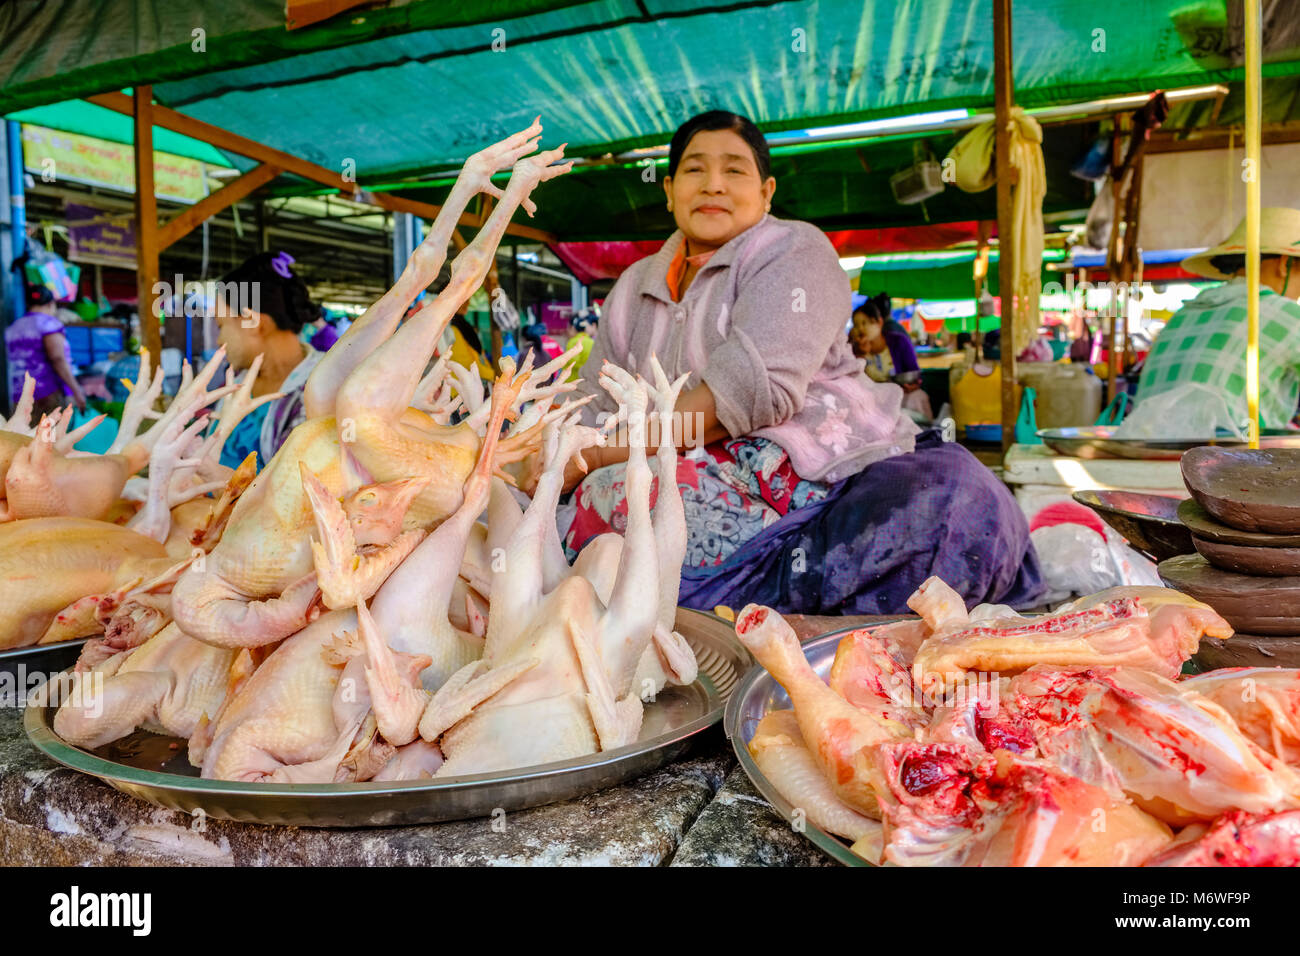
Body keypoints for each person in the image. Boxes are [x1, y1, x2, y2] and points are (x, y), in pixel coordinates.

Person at [524, 109, 1041, 613]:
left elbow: (752, 393)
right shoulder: (633, 286)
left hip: (818, 476)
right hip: (669, 464)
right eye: (695, 169)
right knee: (577, 506)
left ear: (766, 192)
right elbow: (594, 399)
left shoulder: (795, 249)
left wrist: (590, 457)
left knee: (945, 507)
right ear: (668, 189)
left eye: (734, 169)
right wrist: (550, 452)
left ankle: (746, 614)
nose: (713, 185)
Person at [1137, 207, 1300, 429]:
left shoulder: (1184, 313)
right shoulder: (1287, 314)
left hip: (1149, 449)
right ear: (1284, 265)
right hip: (1227, 456)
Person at [211, 251, 324, 470]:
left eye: (221, 326)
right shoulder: (236, 382)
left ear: (253, 322)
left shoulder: (319, 392)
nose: (219, 340)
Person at [5, 284, 87, 417]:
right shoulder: (49, 324)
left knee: (24, 436)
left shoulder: (13, 328)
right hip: (45, 394)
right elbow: (57, 358)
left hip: (16, 396)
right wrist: (76, 391)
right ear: (51, 304)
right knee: (48, 435)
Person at [851, 291, 920, 382]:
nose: (860, 329)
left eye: (865, 323)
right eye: (856, 325)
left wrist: (914, 383)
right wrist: (860, 355)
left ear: (879, 322)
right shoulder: (852, 350)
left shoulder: (899, 341)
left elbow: (914, 373)